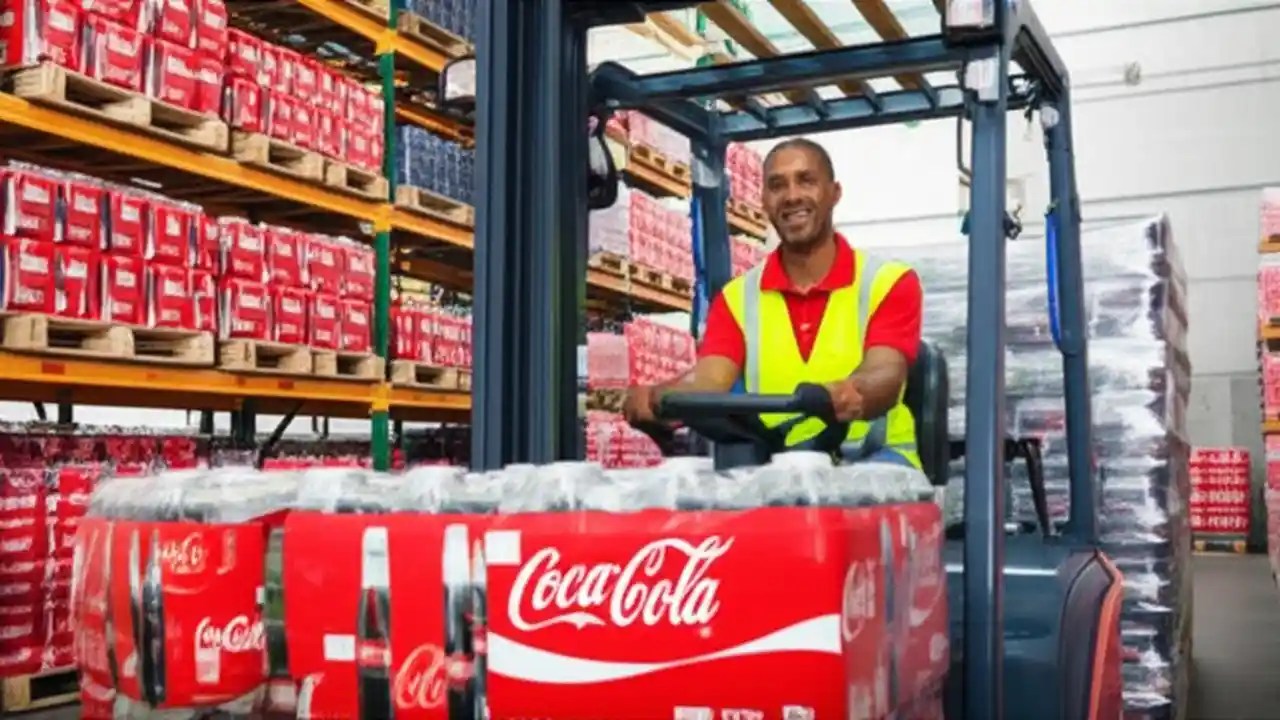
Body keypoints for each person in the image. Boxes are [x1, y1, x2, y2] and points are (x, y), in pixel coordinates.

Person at [622, 137, 924, 468]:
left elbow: (885, 372)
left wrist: (853, 392)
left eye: (806, 180)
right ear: (764, 201)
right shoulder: (738, 298)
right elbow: (710, 380)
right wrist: (660, 399)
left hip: (874, 457)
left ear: (834, 193)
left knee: (854, 512)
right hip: (780, 462)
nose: (792, 195)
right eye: (777, 186)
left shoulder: (888, 282)